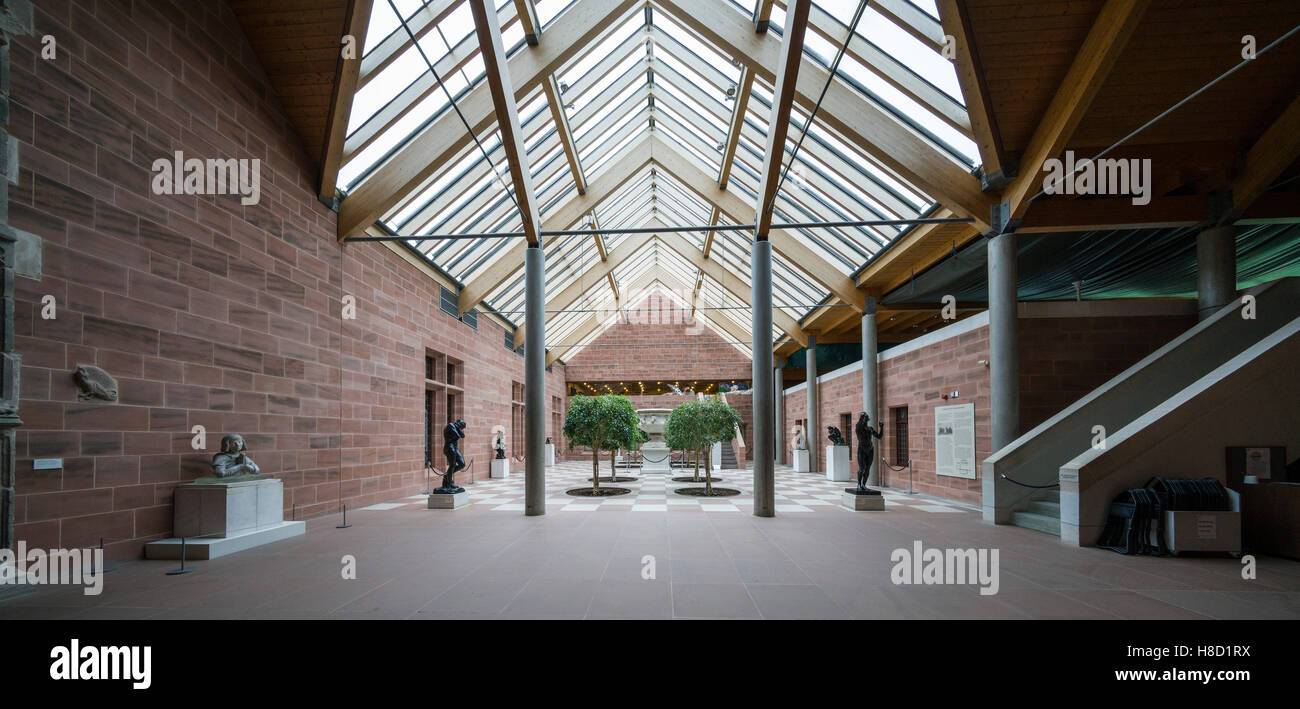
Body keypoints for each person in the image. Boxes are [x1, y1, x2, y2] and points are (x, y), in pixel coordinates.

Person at [855, 412, 882, 492]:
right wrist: (862, 419)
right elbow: (858, 425)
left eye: (867, 418)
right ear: (862, 419)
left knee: (867, 468)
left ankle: (864, 485)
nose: (866, 419)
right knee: (861, 468)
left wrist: (881, 427)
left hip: (870, 450)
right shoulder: (859, 427)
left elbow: (879, 436)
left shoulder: (870, 429)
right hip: (862, 449)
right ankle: (859, 484)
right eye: (864, 418)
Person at [439, 419, 467, 493]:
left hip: (455, 448)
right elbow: (457, 436)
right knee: (452, 465)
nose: (461, 429)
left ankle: (447, 476)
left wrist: (459, 428)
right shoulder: (450, 425)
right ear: (459, 423)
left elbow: (463, 436)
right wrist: (458, 428)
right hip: (449, 447)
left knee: (462, 464)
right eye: (462, 427)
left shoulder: (456, 427)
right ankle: (449, 483)